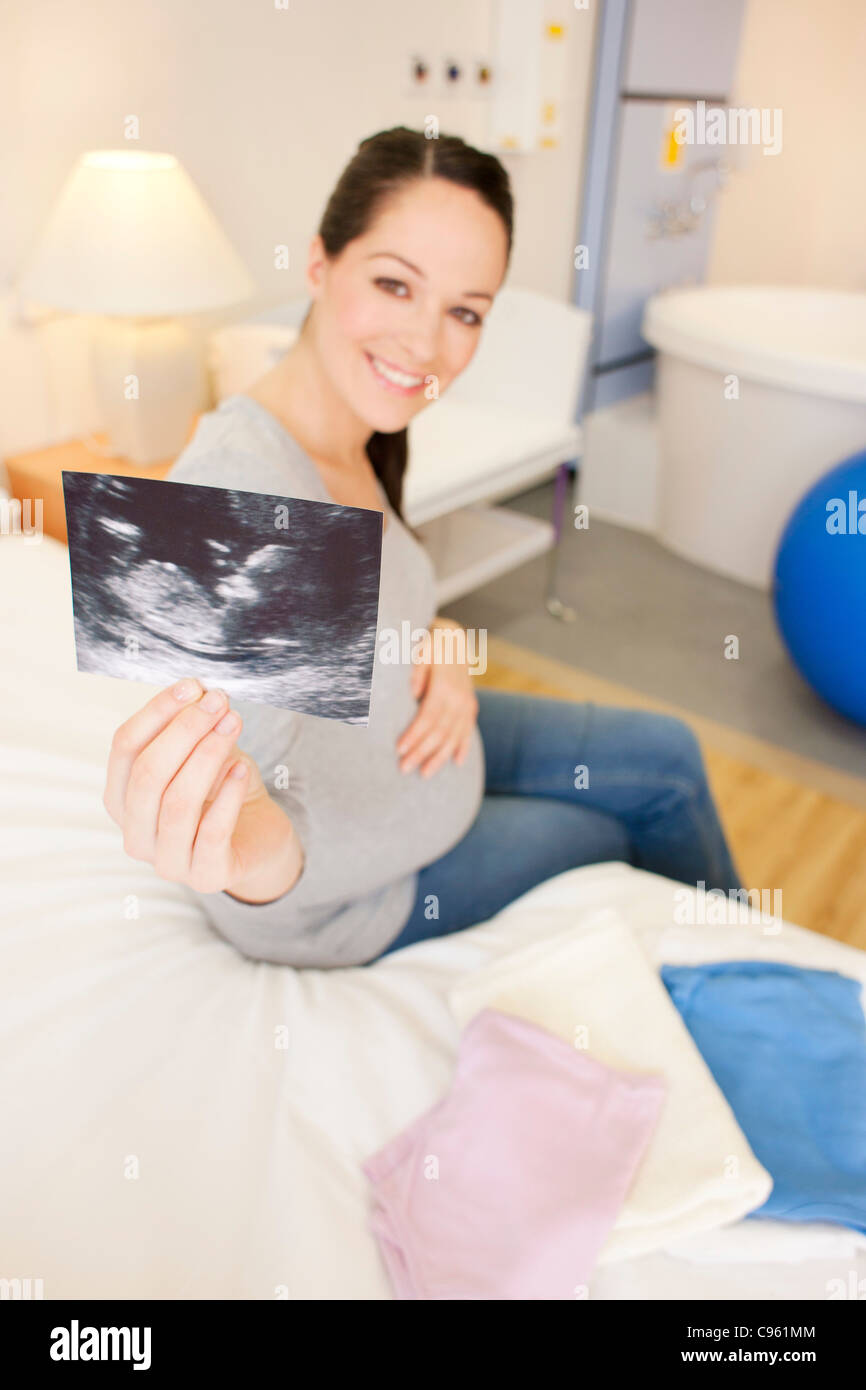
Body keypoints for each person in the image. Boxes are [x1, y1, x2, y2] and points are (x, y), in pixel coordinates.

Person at [102, 125, 742, 969]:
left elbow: (377, 607)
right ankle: (745, 990)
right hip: (349, 901)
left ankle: (752, 977)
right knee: (611, 829)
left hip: (413, 740)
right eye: (395, 285)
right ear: (321, 263)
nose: (427, 345)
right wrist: (239, 851)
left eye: (464, 312)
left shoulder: (358, 433)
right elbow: (246, 817)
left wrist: (436, 636)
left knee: (668, 755)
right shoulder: (241, 499)